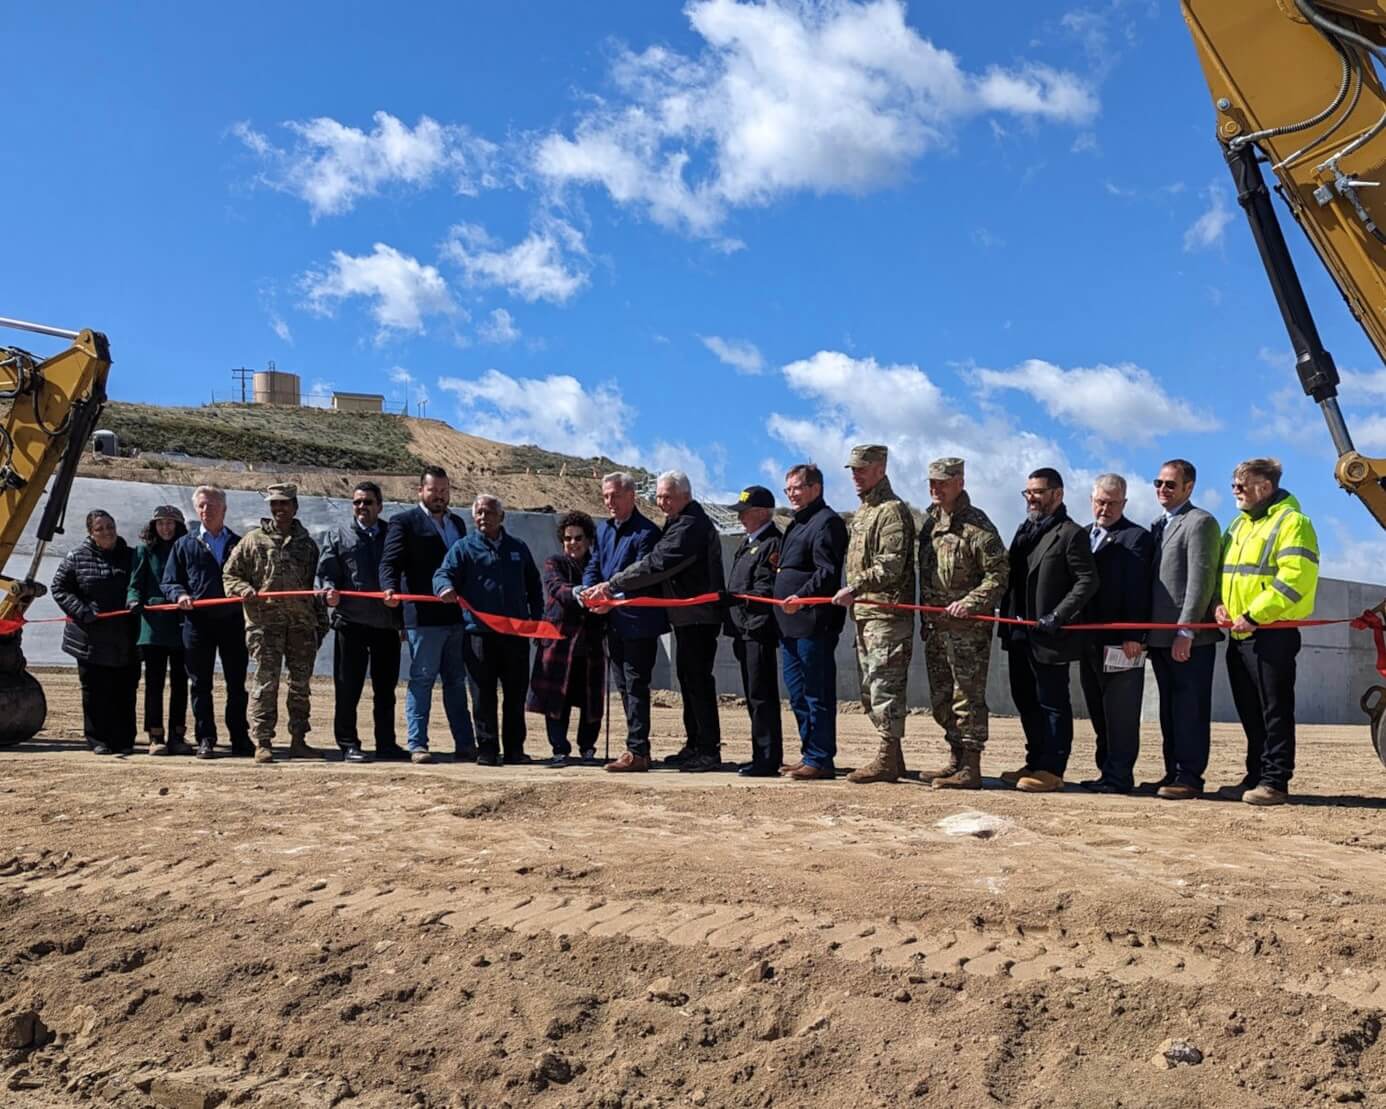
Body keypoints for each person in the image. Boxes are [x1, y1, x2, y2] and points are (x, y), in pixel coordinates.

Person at [586, 471, 726, 773]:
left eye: (667, 497)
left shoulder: (689, 526)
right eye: (660, 496)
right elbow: (596, 563)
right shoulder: (678, 522)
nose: (662, 503)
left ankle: (708, 749)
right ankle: (696, 744)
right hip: (685, 617)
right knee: (689, 680)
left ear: (685, 496)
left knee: (697, 681)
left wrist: (610, 586)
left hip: (697, 616)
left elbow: (657, 564)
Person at [1214, 458, 1320, 806]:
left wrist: (1255, 614)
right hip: (1240, 633)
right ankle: (1255, 775)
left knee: (1275, 711)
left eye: (1241, 484)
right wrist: (1221, 604)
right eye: (1233, 484)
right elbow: (1226, 573)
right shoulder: (1238, 526)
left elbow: (1295, 579)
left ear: (1266, 486)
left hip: (1272, 633)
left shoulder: (1294, 524)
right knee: (1250, 711)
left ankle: (1275, 781)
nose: (1235, 491)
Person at [997, 468, 1098, 793]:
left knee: (1052, 703)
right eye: (1027, 492)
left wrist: (1059, 615)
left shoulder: (1071, 534)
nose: (1031, 498)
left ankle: (1053, 769)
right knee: (1025, 700)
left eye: (1038, 492)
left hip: (1050, 635)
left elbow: (1087, 581)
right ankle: (1035, 760)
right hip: (1018, 632)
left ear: (1057, 494)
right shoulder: (1025, 530)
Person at [917, 457, 1008, 790]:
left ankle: (971, 766)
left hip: (967, 632)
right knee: (941, 697)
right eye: (931, 482)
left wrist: (969, 604)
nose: (935, 488)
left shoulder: (977, 525)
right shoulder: (930, 522)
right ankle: (955, 759)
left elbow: (998, 575)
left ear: (960, 482)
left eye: (942, 481)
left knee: (966, 697)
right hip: (936, 628)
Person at [222, 483, 327, 764]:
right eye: (274, 504)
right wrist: (243, 589)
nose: (279, 509)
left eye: (284, 504)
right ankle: (263, 741)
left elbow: (315, 585)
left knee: (300, 684)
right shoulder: (253, 540)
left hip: (301, 625)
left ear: (295, 506)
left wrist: (321, 623)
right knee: (265, 683)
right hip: (264, 624)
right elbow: (229, 575)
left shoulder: (307, 543)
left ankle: (298, 740)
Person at [435, 494, 543, 766]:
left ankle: (515, 750)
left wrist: (537, 621)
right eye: (480, 512)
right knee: (482, 695)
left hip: (515, 635)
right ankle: (487, 749)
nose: (484, 517)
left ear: (502, 516)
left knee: (516, 695)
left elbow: (534, 586)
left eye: (490, 512)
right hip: (478, 635)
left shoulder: (518, 548)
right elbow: (442, 574)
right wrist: (444, 588)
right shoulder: (463, 548)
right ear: (474, 517)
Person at [379, 466, 476, 765]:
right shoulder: (404, 522)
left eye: (444, 491)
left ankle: (465, 744)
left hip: (455, 618)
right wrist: (389, 590)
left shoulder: (458, 523)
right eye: (434, 490)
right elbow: (390, 562)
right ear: (421, 491)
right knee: (421, 681)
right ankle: (417, 744)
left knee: (456, 682)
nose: (439, 496)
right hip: (423, 618)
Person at [834, 446, 916, 785]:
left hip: (887, 614)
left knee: (885, 686)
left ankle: (886, 756)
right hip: (866, 614)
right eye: (853, 470)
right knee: (870, 687)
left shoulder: (891, 511)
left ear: (880, 469)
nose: (855, 476)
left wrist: (856, 586)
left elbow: (891, 565)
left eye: (862, 469)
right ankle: (893, 758)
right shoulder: (864, 512)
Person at [579, 472, 668, 772]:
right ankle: (635, 746)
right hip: (612, 622)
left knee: (636, 685)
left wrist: (609, 594)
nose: (609, 502)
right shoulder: (604, 530)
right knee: (623, 686)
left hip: (638, 623)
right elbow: (594, 563)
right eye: (605, 496)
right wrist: (590, 591)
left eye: (615, 495)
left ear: (631, 495)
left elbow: (642, 575)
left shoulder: (647, 533)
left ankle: (638, 750)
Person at [1144, 459, 1222, 800]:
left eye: (1170, 485)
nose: (1162, 489)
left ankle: (1190, 776)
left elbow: (1200, 581)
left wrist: (1186, 631)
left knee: (1189, 708)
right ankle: (1172, 770)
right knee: (1169, 710)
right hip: (1160, 636)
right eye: (1158, 483)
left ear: (1189, 487)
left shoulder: (1200, 522)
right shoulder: (1157, 525)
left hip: (1187, 638)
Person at [1076, 475, 1154, 795]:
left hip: (1123, 642)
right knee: (1097, 709)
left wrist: (1134, 632)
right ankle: (1105, 771)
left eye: (1111, 503)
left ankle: (1119, 776)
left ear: (1124, 503)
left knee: (1120, 713)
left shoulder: (1136, 538)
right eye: (1099, 502)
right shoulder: (1082, 536)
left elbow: (1138, 589)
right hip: (1088, 640)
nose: (1104, 508)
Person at [162, 485, 253, 759]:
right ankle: (206, 738)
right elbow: (169, 581)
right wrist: (179, 594)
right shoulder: (184, 544)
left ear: (224, 509)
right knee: (200, 684)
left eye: (212, 505)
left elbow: (253, 577)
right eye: (202, 505)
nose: (206, 510)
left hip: (233, 622)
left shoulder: (239, 544)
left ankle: (239, 737)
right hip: (197, 624)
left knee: (236, 683)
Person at [318, 480, 405, 763]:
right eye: (357, 502)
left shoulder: (393, 535)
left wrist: (402, 609)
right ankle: (348, 744)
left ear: (380, 506)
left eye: (368, 502)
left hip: (385, 624)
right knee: (348, 687)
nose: (362, 507)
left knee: (385, 691)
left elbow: (403, 573)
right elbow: (326, 572)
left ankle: (387, 744)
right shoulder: (338, 534)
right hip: (350, 623)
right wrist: (328, 591)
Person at [775, 464, 849, 781]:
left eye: (797, 488)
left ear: (815, 488)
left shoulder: (827, 522)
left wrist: (802, 597)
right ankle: (809, 753)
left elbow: (826, 572)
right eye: (788, 489)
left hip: (812, 622)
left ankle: (820, 758)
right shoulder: (797, 523)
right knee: (797, 693)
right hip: (789, 624)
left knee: (816, 691)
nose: (791, 494)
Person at [51, 510, 139, 755]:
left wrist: (135, 602)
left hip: (124, 636)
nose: (107, 532)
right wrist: (82, 610)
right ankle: (97, 739)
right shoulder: (76, 557)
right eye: (100, 529)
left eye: (110, 526)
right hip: (89, 637)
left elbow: (140, 585)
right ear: (91, 532)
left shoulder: (131, 556)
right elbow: (59, 588)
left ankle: (124, 739)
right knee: (95, 690)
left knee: (124, 689)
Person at [528, 511, 606, 766]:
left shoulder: (599, 566)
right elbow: (556, 588)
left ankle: (587, 748)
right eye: (568, 538)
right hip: (560, 644)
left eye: (578, 538)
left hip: (590, 645)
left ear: (589, 538)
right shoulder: (554, 562)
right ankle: (559, 748)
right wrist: (579, 594)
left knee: (591, 702)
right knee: (556, 700)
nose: (573, 543)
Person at [722, 485, 783, 778]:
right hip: (742, 629)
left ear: (761, 512)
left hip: (757, 629)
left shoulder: (772, 544)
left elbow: (766, 588)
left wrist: (738, 597)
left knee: (762, 696)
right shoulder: (748, 543)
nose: (740, 518)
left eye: (744, 512)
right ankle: (760, 754)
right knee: (752, 695)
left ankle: (768, 758)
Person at [127, 505, 189, 756]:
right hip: (152, 626)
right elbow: (135, 584)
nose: (166, 528)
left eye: (170, 523)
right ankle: (155, 734)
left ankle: (177, 733)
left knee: (180, 683)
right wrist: (133, 601)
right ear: (154, 526)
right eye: (161, 523)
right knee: (154, 683)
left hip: (181, 624)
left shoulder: (185, 549)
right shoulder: (144, 551)